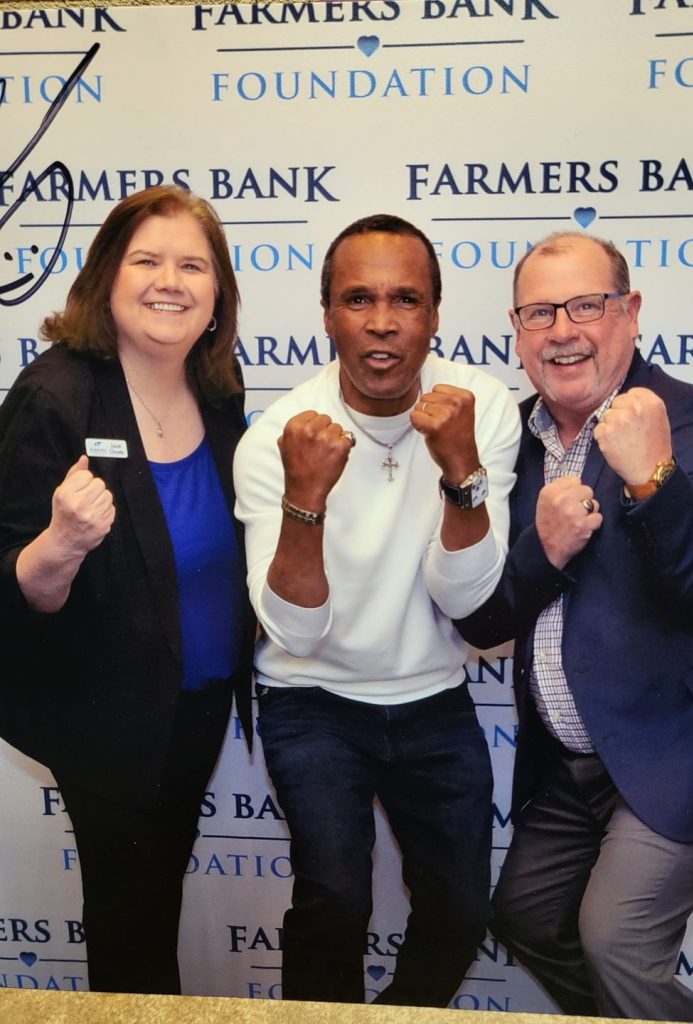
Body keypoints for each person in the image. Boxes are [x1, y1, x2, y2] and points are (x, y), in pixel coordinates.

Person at [456, 231, 693, 1021]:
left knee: (617, 940)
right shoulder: (512, 442)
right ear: (516, 331)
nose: (562, 330)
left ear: (629, 313)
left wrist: (652, 477)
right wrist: (546, 549)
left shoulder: (691, 418)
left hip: (686, 746)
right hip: (575, 764)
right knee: (526, 916)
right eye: (539, 313)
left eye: (586, 305)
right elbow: (483, 618)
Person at [233, 213, 521, 1006]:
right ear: (328, 315)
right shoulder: (276, 438)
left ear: (435, 314)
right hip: (311, 698)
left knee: (462, 912)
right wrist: (306, 498)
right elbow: (295, 632)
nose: (383, 322)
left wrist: (460, 470)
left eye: (406, 300)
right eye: (359, 299)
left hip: (432, 696)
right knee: (335, 902)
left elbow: (466, 599)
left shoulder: (481, 407)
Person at [0, 186, 255, 994]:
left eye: (193, 266)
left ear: (217, 293)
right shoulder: (56, 395)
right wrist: (61, 542)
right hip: (107, 713)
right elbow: (15, 587)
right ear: (107, 276)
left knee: (154, 905)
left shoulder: (218, 390)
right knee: (129, 926)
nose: (169, 282)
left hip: (199, 703)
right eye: (147, 260)